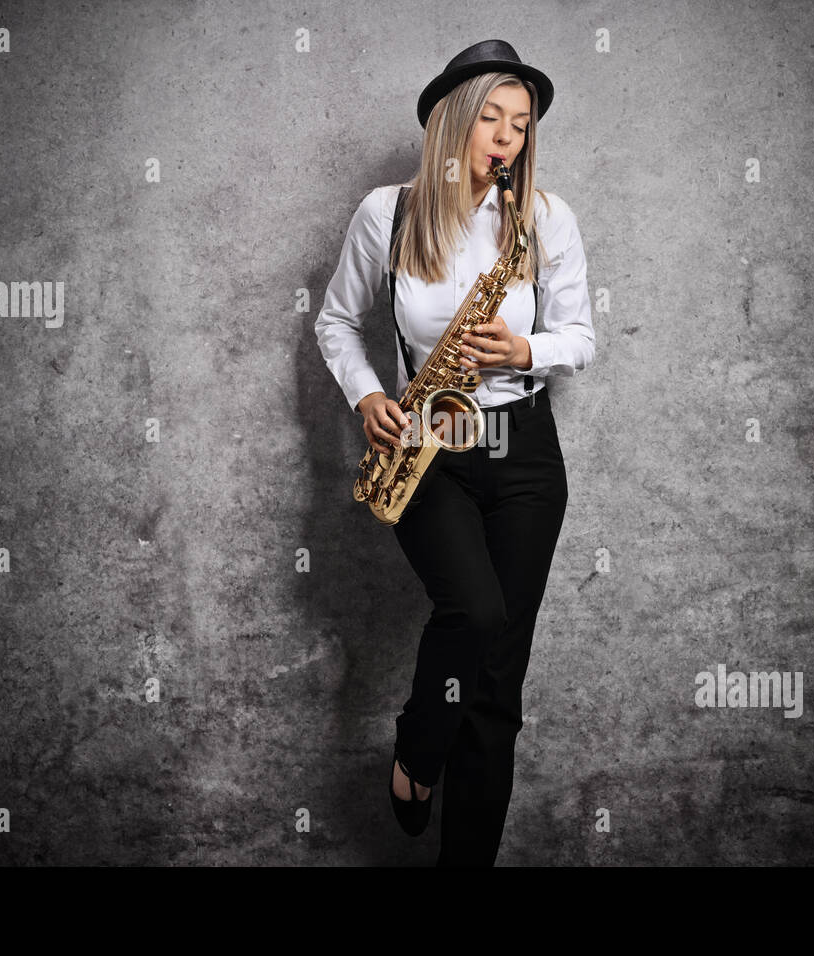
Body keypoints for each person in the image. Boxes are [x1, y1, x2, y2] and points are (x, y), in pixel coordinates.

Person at [314, 39, 596, 865]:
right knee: (474, 612)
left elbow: (580, 336)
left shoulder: (545, 218)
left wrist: (527, 352)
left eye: (521, 123)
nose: (507, 136)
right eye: (491, 119)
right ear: (453, 122)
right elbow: (335, 321)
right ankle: (415, 749)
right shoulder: (388, 213)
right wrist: (369, 395)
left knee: (499, 686)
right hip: (430, 442)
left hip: (525, 452)